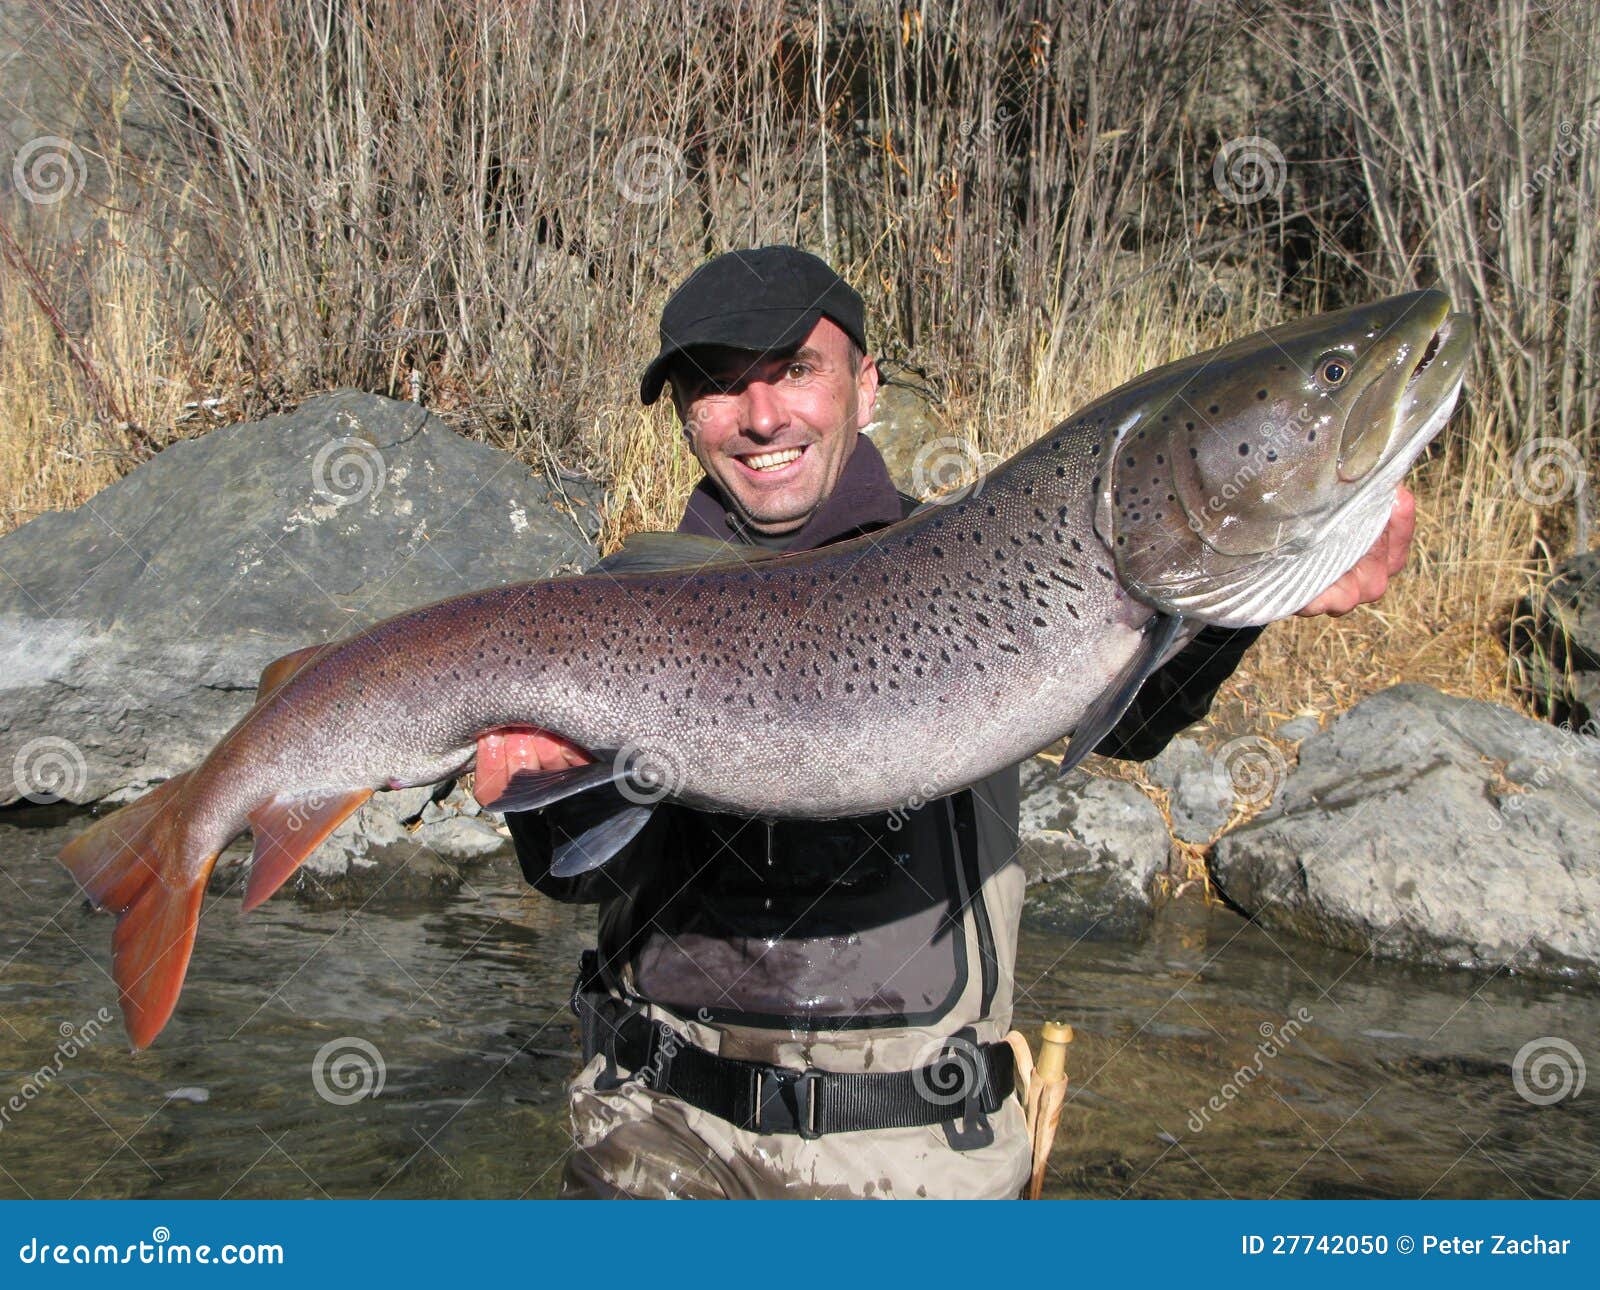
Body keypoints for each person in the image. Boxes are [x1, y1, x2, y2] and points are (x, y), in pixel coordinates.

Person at [489, 246, 1415, 1199]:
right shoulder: (611, 614)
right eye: (720, 388)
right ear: (685, 415)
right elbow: (576, 878)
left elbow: (1133, 723)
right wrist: (543, 794)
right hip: (653, 1138)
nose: (762, 418)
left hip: (914, 1160)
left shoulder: (989, 557)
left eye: (796, 371)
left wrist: (1240, 600)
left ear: (866, 384)